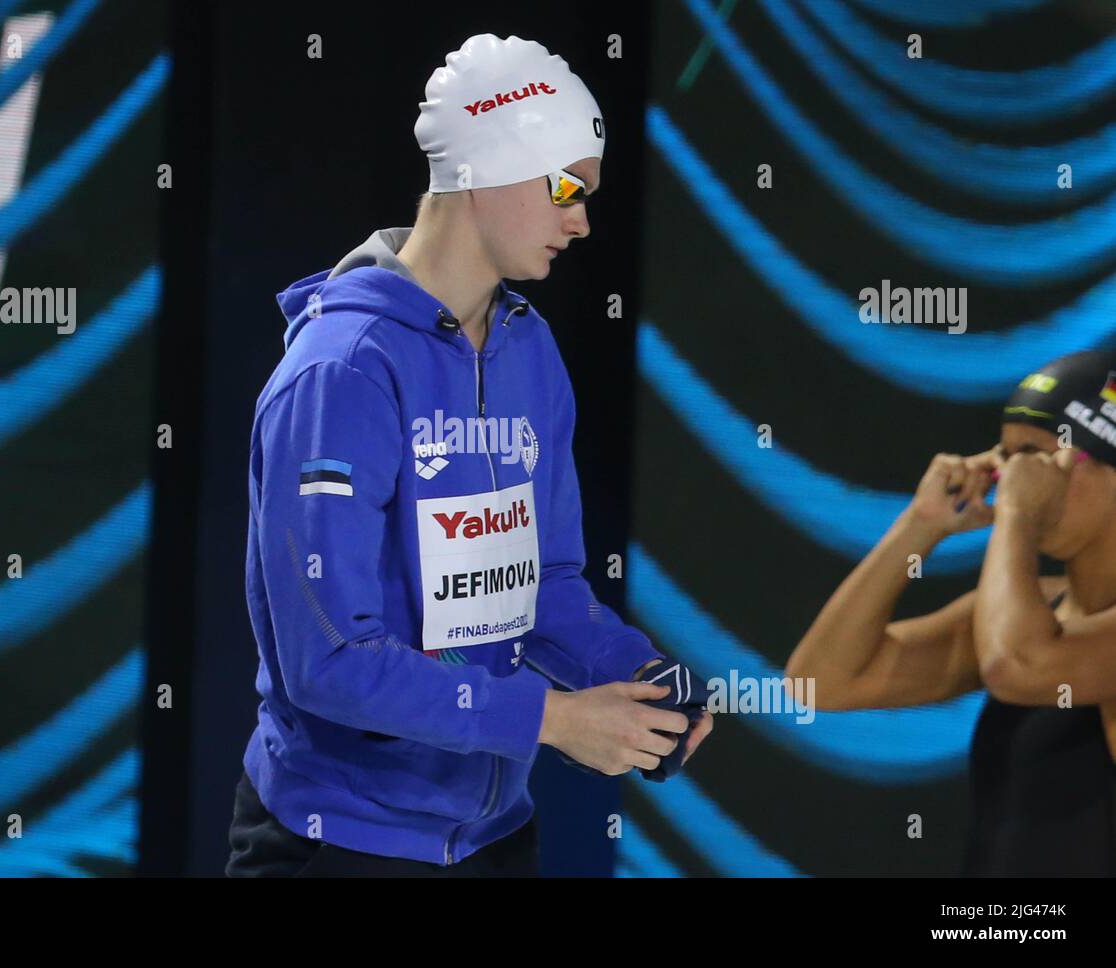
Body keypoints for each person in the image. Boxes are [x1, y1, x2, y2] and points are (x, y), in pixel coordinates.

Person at [226, 33, 713, 878]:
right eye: (567, 186)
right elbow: (329, 663)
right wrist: (552, 721)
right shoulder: (344, 368)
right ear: (489, 166)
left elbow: (544, 586)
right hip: (338, 843)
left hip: (494, 841)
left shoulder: (531, 349)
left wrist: (635, 679)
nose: (582, 219)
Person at [785, 351, 1116, 874]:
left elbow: (1017, 669)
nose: (1010, 478)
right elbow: (820, 682)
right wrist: (923, 526)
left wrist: (1018, 517)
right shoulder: (1030, 612)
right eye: (1004, 459)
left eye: (1032, 456)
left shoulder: (1026, 641)